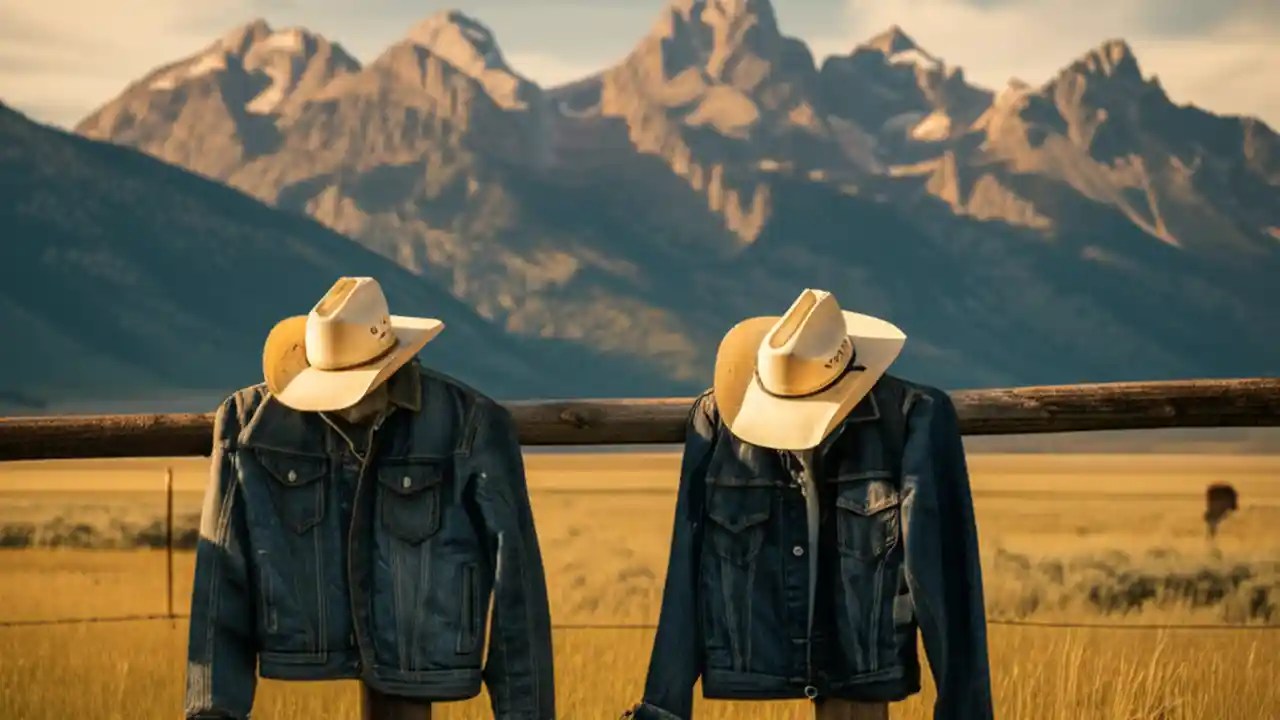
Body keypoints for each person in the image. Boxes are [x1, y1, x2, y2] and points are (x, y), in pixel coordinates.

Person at [184, 277, 554, 720]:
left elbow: (518, 576)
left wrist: (525, 712)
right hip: (298, 650)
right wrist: (212, 710)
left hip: (429, 658)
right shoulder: (252, 424)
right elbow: (221, 574)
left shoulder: (469, 425)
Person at [624, 288, 993, 720]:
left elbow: (943, 576)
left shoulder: (911, 417)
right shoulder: (717, 418)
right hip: (751, 666)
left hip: (859, 667)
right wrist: (663, 706)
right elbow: (685, 567)